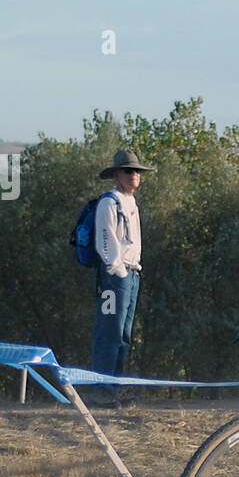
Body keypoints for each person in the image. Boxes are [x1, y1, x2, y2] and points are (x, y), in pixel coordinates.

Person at [91, 149, 149, 405]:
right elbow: (105, 242)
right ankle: (100, 390)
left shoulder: (131, 202)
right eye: (128, 170)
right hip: (116, 276)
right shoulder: (109, 202)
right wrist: (118, 270)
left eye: (136, 170)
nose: (134, 174)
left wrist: (131, 272)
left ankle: (114, 387)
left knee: (124, 335)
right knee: (109, 331)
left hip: (132, 274)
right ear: (116, 174)